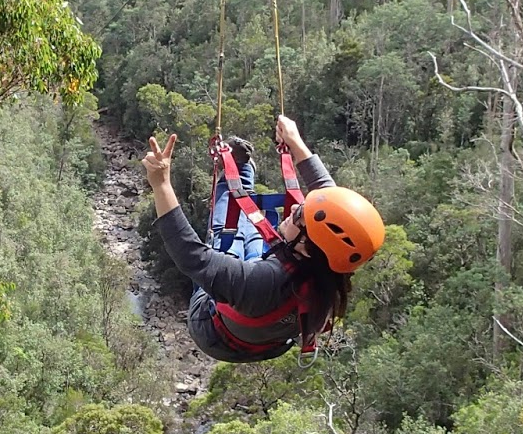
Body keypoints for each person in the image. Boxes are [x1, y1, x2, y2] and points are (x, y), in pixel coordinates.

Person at [142, 114, 386, 362]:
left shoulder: (261, 281)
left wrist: (161, 185)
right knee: (254, 233)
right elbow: (327, 193)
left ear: (307, 247)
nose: (292, 209)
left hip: (214, 332)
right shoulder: (333, 266)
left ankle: (236, 177)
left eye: (300, 214)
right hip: (268, 333)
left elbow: (192, 256)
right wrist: (295, 141)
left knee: (228, 236)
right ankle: (241, 174)